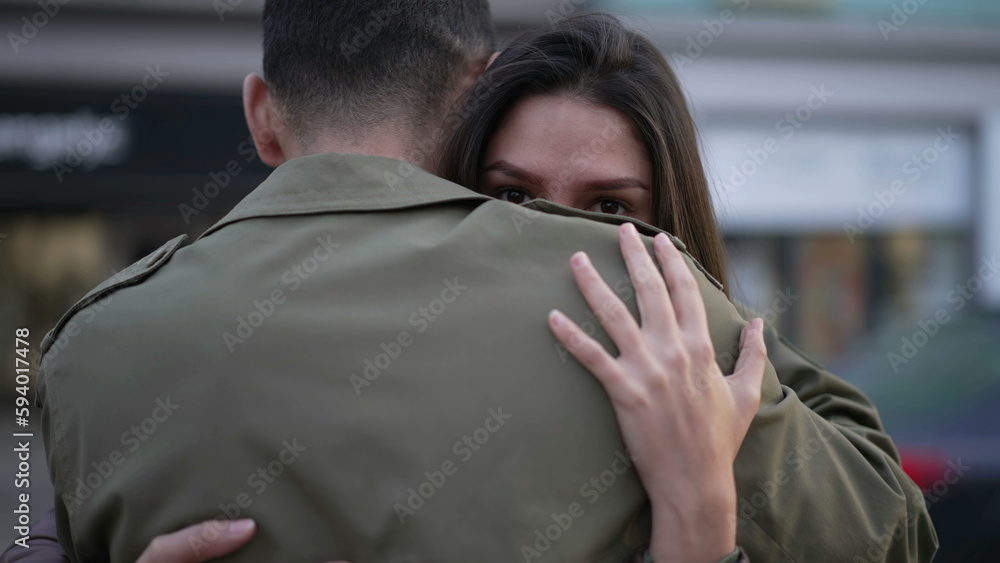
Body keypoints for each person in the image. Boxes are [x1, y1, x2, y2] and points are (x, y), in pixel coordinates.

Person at [8, 4, 935, 563]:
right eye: (509, 196)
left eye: (614, 212)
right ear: (472, 100)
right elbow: (890, 532)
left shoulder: (86, 348)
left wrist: (704, 494)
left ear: (261, 111)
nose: (558, 237)